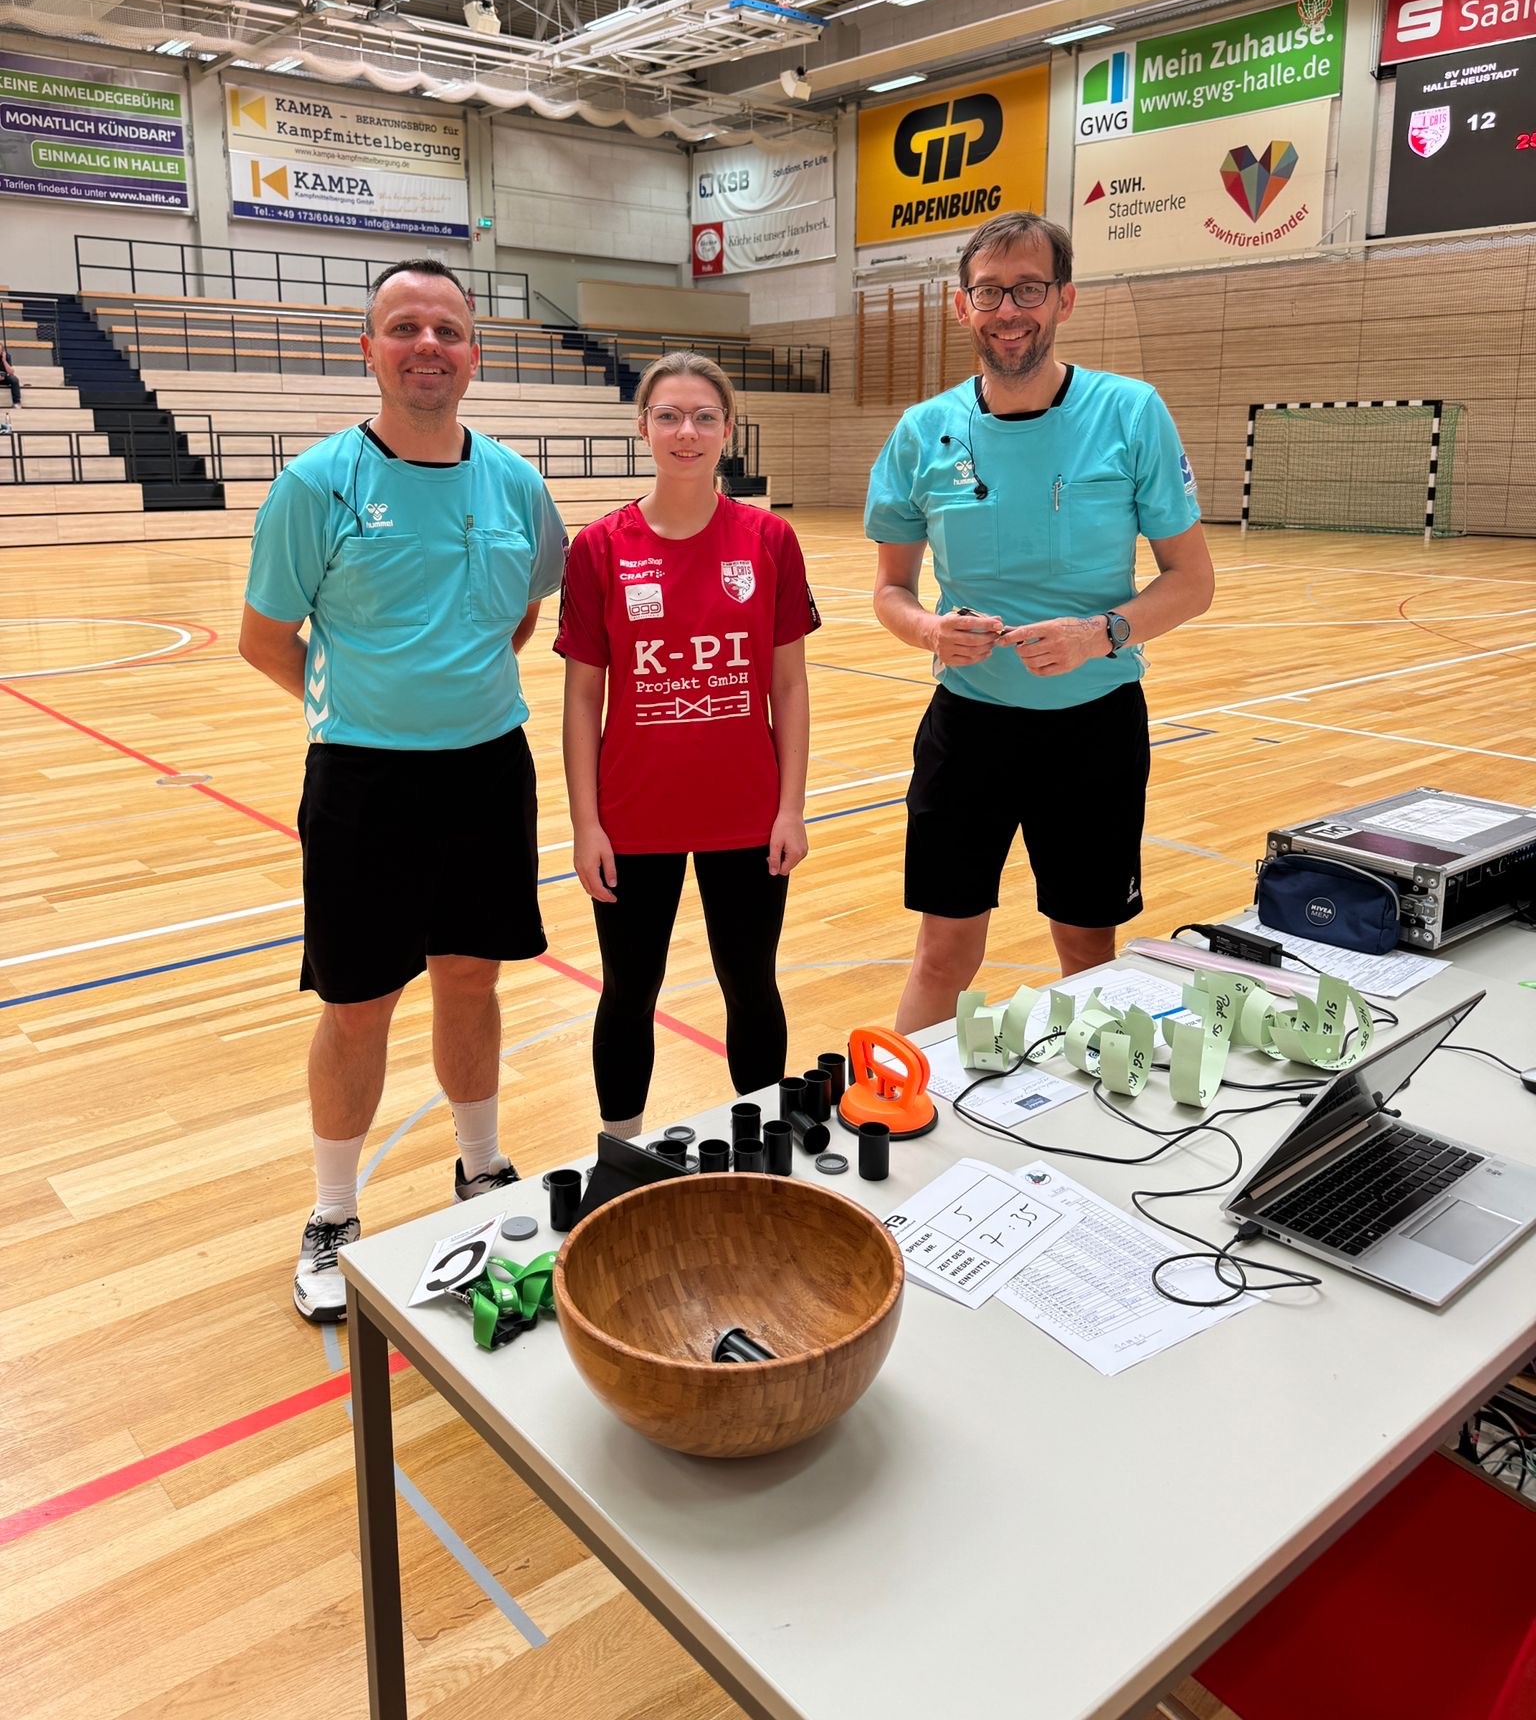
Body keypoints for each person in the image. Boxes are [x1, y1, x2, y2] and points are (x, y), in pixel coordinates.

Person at [239, 258, 566, 1322]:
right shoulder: (316, 484)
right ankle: (334, 1213)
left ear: (476, 351)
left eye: (449, 329)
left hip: (486, 770)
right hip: (361, 782)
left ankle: (479, 1169)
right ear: (368, 349)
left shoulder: (516, 481)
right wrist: (359, 707)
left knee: (472, 977)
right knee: (357, 1002)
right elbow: (263, 638)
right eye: (405, 327)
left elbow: (520, 613)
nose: (429, 344)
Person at [864, 209, 1214, 1032]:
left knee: (1087, 948)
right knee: (942, 956)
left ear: (1065, 300)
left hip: (1093, 731)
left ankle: (1093, 1125)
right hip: (968, 730)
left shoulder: (1130, 412)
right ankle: (911, 1120)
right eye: (990, 292)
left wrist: (1100, 634)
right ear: (962, 307)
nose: (1008, 310)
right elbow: (890, 590)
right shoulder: (923, 431)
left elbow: (1192, 581)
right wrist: (927, 631)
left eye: (1028, 288)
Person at [556, 351, 818, 1138]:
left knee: (750, 983)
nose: (686, 431)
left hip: (746, 814)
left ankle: (761, 1149)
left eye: (705, 416)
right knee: (629, 990)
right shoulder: (600, 547)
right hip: (634, 819)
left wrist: (791, 808)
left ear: (727, 430)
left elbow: (791, 687)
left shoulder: (770, 540)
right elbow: (580, 698)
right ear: (643, 427)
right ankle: (619, 1154)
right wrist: (586, 824)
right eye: (668, 415)